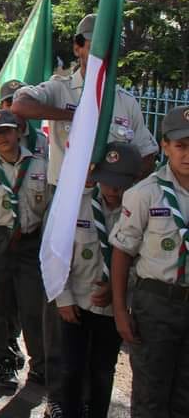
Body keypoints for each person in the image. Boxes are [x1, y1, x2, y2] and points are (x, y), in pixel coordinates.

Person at [12, 14, 158, 185]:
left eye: (107, 50)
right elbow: (20, 106)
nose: (101, 57)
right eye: (94, 49)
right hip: (66, 198)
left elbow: (148, 155)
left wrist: (120, 185)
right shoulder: (59, 89)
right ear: (77, 48)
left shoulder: (125, 101)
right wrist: (74, 116)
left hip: (107, 201)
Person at [110, 104, 189, 417]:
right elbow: (122, 252)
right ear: (165, 146)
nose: (187, 154)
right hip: (157, 304)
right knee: (151, 395)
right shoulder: (145, 194)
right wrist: (119, 309)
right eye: (181, 146)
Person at [56, 142, 139, 418]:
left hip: (113, 308)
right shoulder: (76, 206)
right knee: (71, 369)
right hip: (76, 303)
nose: (113, 191)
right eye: (108, 183)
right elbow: (58, 254)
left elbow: (142, 262)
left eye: (120, 185)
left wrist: (118, 288)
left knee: (102, 372)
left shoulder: (137, 212)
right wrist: (63, 298)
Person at [0, 109, 51, 388]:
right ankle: (3, 358)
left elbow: (50, 210)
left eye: (7, 130)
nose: (3, 137)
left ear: (18, 131)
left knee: (33, 306)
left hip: (31, 243)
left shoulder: (41, 168)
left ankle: (40, 363)